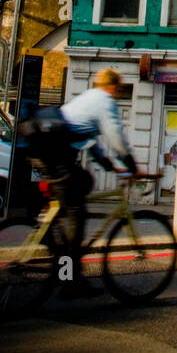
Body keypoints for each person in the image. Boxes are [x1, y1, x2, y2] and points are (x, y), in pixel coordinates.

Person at [25, 68, 138, 296]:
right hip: (57, 154)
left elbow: (90, 141)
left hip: (49, 150)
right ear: (113, 87)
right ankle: (70, 281)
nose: (118, 94)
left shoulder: (88, 98)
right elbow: (116, 136)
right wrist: (131, 165)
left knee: (83, 183)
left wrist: (108, 165)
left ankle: (50, 231)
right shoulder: (104, 101)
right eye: (119, 89)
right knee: (76, 215)